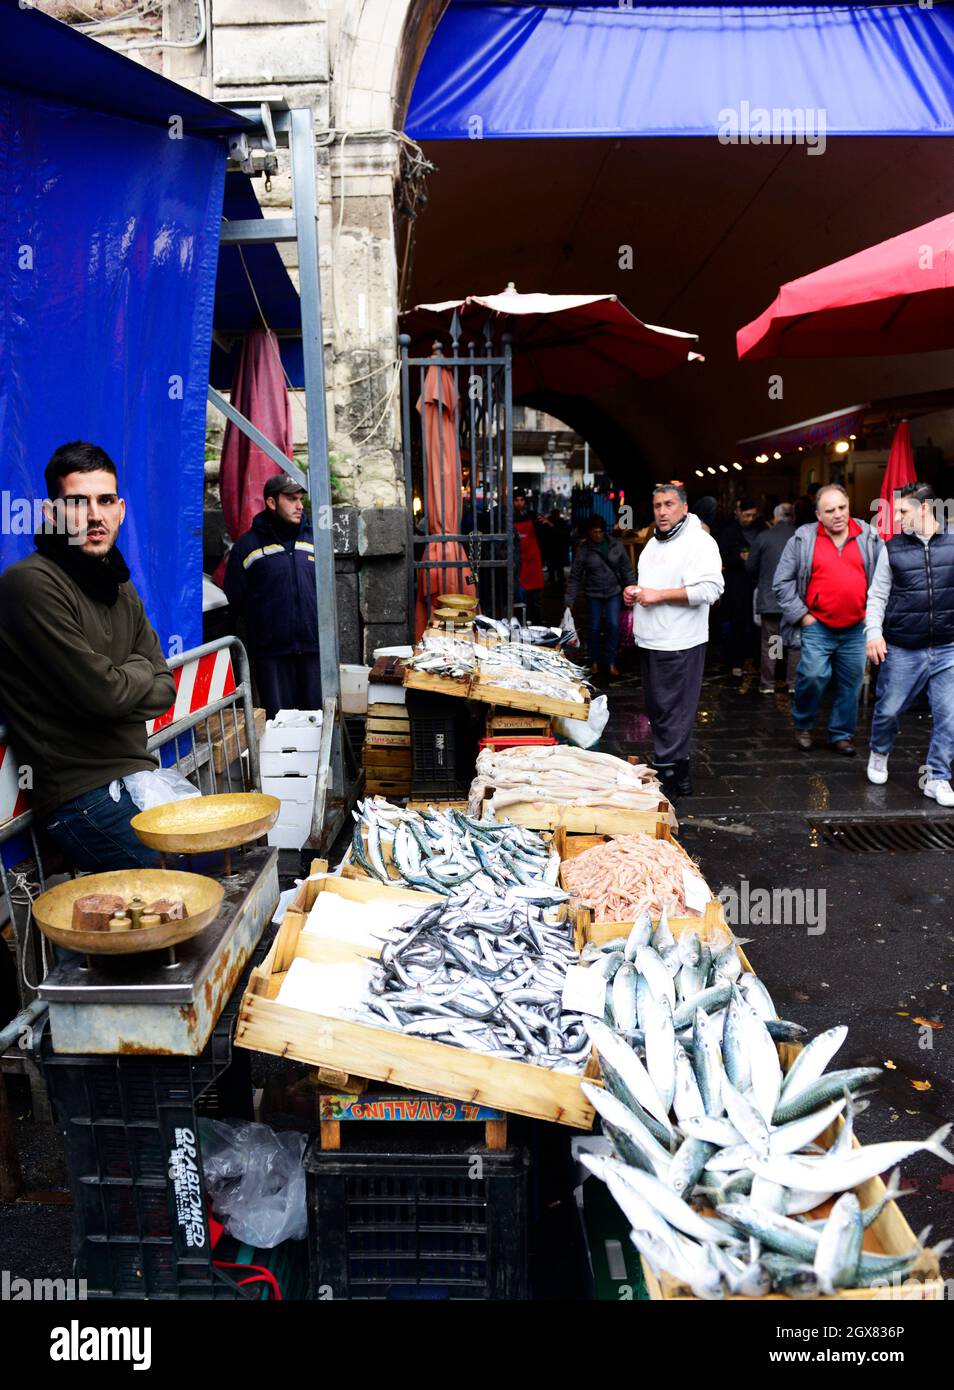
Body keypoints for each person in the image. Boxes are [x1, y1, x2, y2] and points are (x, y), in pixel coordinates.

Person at [0, 441, 176, 871]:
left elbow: (165, 688)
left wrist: (122, 678)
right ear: (51, 513)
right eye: (77, 502)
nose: (94, 516)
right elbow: (104, 697)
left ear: (120, 510)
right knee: (180, 889)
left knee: (216, 860)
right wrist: (137, 670)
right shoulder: (31, 585)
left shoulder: (118, 584)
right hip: (79, 798)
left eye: (104, 501)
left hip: (137, 777)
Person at [624, 483, 724, 802]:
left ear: (683, 507)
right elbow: (653, 586)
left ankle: (667, 776)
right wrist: (636, 592)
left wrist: (660, 595)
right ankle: (680, 775)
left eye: (669, 504)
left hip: (680, 641)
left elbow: (711, 589)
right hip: (652, 638)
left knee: (671, 710)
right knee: (661, 708)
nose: (662, 511)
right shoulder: (655, 542)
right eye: (657, 506)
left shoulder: (700, 542)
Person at [773, 482, 882, 755]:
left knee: (851, 683)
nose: (838, 514)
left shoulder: (869, 536)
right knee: (812, 675)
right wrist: (802, 616)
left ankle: (841, 734)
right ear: (818, 515)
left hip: (857, 627)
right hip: (817, 625)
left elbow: (883, 579)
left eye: (842, 507)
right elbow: (781, 582)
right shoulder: (802, 538)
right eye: (830, 510)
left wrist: (874, 618)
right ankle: (803, 725)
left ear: (849, 506)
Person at [865, 483, 954, 805]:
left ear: (924, 508)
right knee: (888, 709)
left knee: (950, 715)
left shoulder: (952, 543)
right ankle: (879, 750)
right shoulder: (892, 548)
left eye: (903, 511)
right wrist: (873, 633)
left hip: (947, 647)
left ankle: (937, 777)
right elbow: (877, 595)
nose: (897, 518)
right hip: (903, 647)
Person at [224, 474, 321, 719]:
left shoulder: (315, 540)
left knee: (316, 722)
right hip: (271, 654)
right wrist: (265, 622)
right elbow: (236, 596)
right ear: (271, 502)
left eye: (301, 499)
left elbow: (326, 591)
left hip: (312, 650)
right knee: (278, 725)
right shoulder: (248, 546)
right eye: (291, 499)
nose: (299, 505)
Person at [565, 515, 636, 678]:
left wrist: (633, 589)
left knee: (613, 625)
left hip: (613, 592)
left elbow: (626, 570)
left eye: (599, 532)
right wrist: (569, 600)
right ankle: (594, 661)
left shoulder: (616, 545)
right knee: (594, 628)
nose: (596, 535)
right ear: (589, 533)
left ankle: (610, 662)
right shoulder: (584, 549)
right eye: (593, 532)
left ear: (604, 531)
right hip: (593, 594)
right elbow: (575, 576)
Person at [746, 502, 800, 694]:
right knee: (795, 644)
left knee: (773, 640)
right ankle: (793, 683)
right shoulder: (802, 536)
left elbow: (750, 567)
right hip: (795, 600)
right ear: (792, 517)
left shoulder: (764, 537)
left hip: (770, 599)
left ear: (775, 517)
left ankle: (769, 683)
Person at [719, 496, 766, 676]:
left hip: (758, 584)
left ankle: (760, 662)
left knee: (760, 626)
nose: (749, 519)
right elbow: (721, 556)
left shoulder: (762, 529)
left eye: (753, 515)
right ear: (738, 513)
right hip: (736, 585)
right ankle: (735, 662)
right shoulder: (728, 531)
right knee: (736, 625)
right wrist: (739, 557)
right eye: (746, 515)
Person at [512, 490, 547, 623]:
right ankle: (520, 626)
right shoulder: (508, 518)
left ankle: (536, 625)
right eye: (517, 500)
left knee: (535, 602)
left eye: (521, 500)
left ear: (525, 502)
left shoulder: (533, 516)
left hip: (533, 563)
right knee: (519, 600)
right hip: (518, 563)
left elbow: (545, 534)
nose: (519, 503)